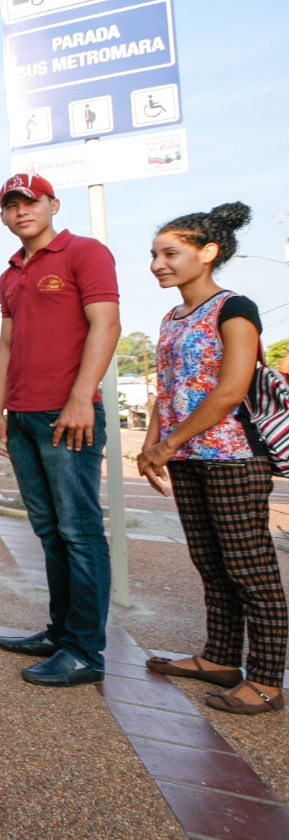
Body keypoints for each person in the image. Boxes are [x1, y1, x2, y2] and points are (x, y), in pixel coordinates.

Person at [136, 203, 284, 714]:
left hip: (233, 457)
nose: (158, 263)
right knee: (210, 562)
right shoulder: (172, 317)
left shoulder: (234, 308)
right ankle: (220, 657)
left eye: (170, 253)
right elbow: (168, 389)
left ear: (209, 253)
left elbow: (229, 391)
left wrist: (167, 444)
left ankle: (266, 680)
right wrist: (154, 445)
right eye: (154, 254)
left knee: (251, 568)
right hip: (187, 456)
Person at [0, 173, 120, 687]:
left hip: (68, 416)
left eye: (31, 201)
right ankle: (61, 632)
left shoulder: (84, 252)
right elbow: (6, 346)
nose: (22, 211)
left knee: (80, 533)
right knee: (49, 532)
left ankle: (85, 651)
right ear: (3, 216)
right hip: (21, 418)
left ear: (52, 204)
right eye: (11, 205)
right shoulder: (11, 272)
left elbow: (106, 325)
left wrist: (82, 398)